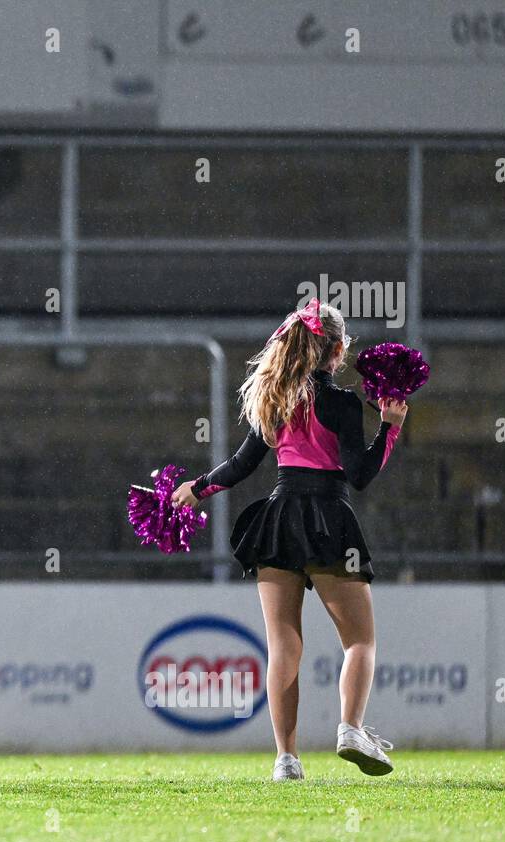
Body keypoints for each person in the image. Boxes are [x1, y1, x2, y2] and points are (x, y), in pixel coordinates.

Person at [170, 298, 408, 782]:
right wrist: (389, 428)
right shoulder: (341, 403)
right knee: (360, 641)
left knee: (284, 646)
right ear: (337, 350)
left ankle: (286, 759)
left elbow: (239, 467)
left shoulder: (273, 399)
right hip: (328, 521)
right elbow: (359, 475)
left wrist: (196, 489)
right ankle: (350, 729)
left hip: (278, 520)